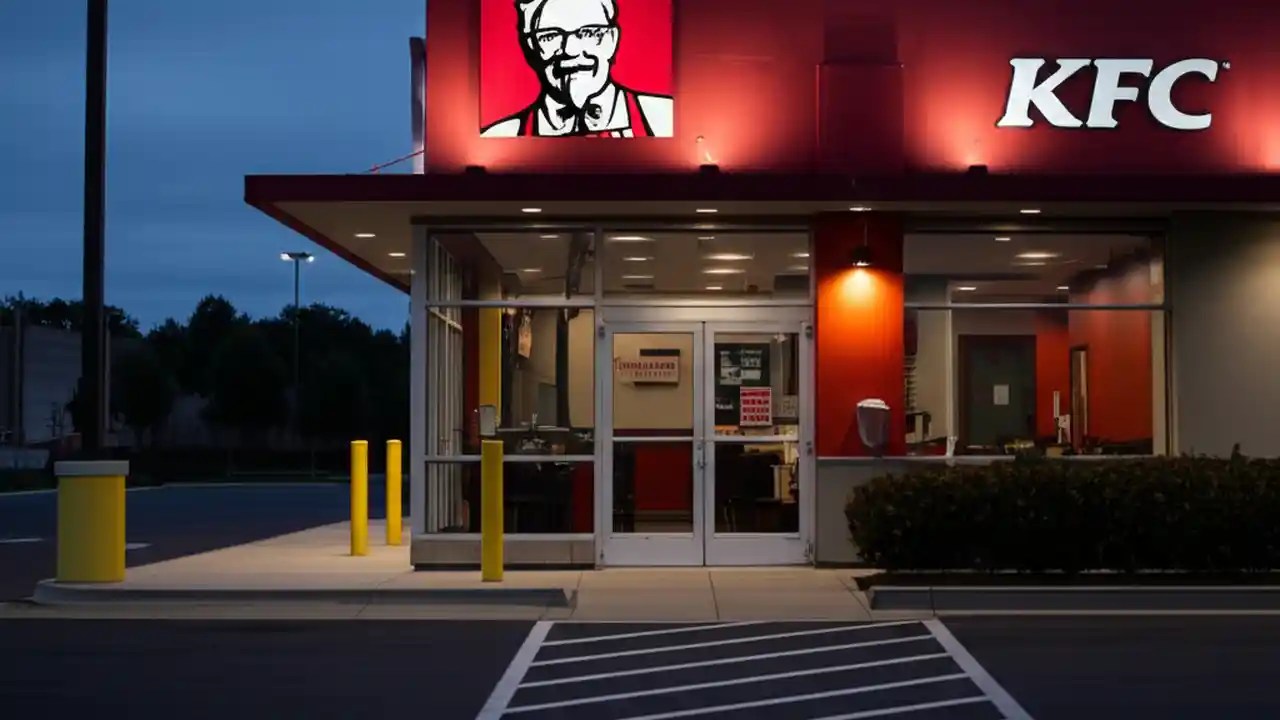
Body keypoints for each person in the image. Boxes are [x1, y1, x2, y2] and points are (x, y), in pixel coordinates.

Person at [483, 0, 674, 138]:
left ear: (612, 40)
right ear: (531, 47)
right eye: (550, 36)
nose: (571, 50)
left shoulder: (665, 117)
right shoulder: (498, 137)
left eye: (589, 33)